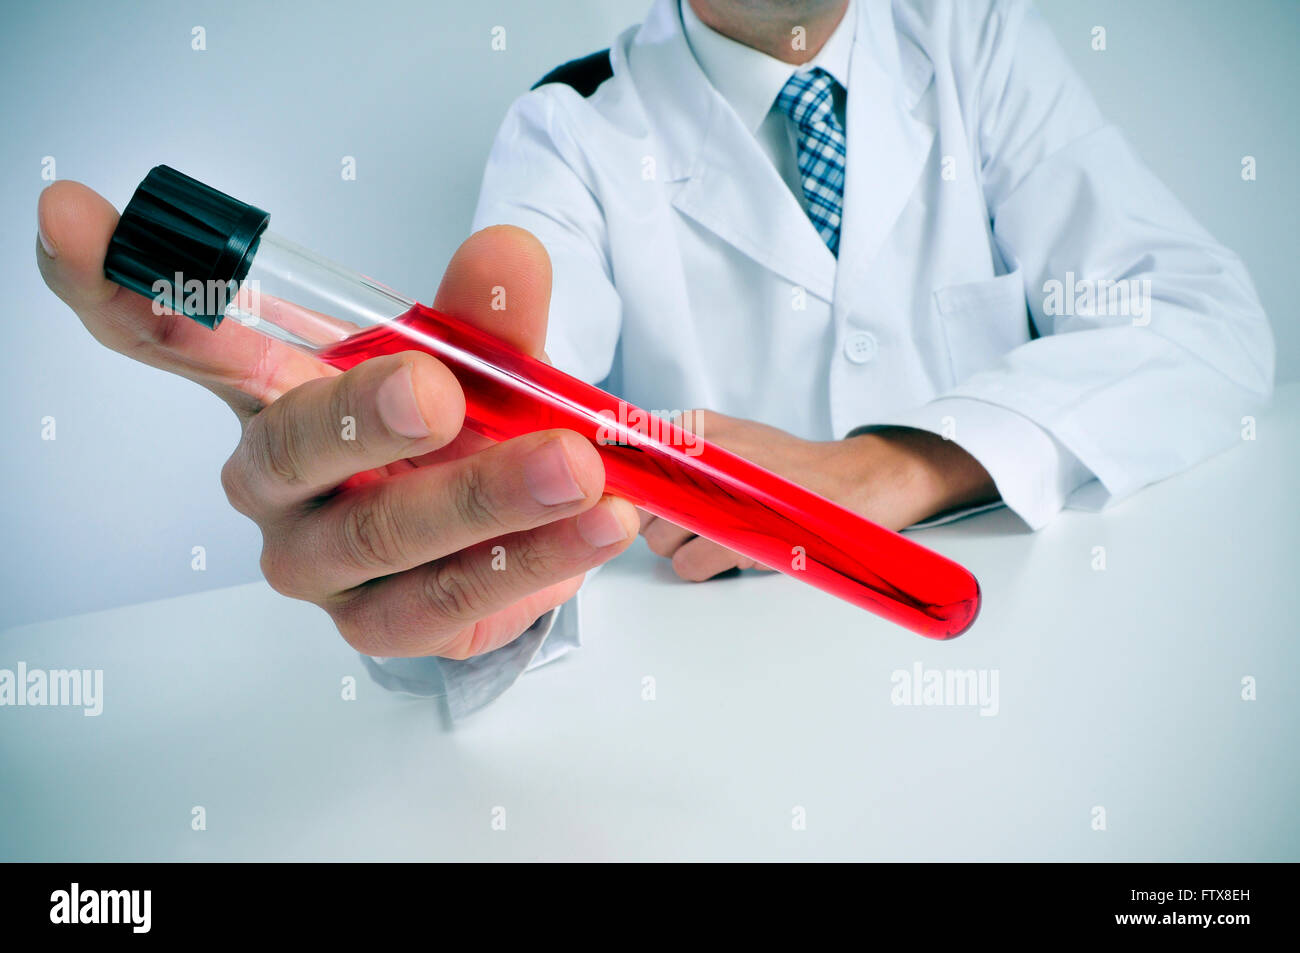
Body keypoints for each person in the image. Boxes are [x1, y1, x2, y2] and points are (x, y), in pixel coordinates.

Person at [36, 0, 1273, 717]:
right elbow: (504, 416)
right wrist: (426, 521)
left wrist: (893, 464)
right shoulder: (570, 130)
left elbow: (1207, 323)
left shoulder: (976, 42)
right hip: (731, 722)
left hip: (1044, 678)